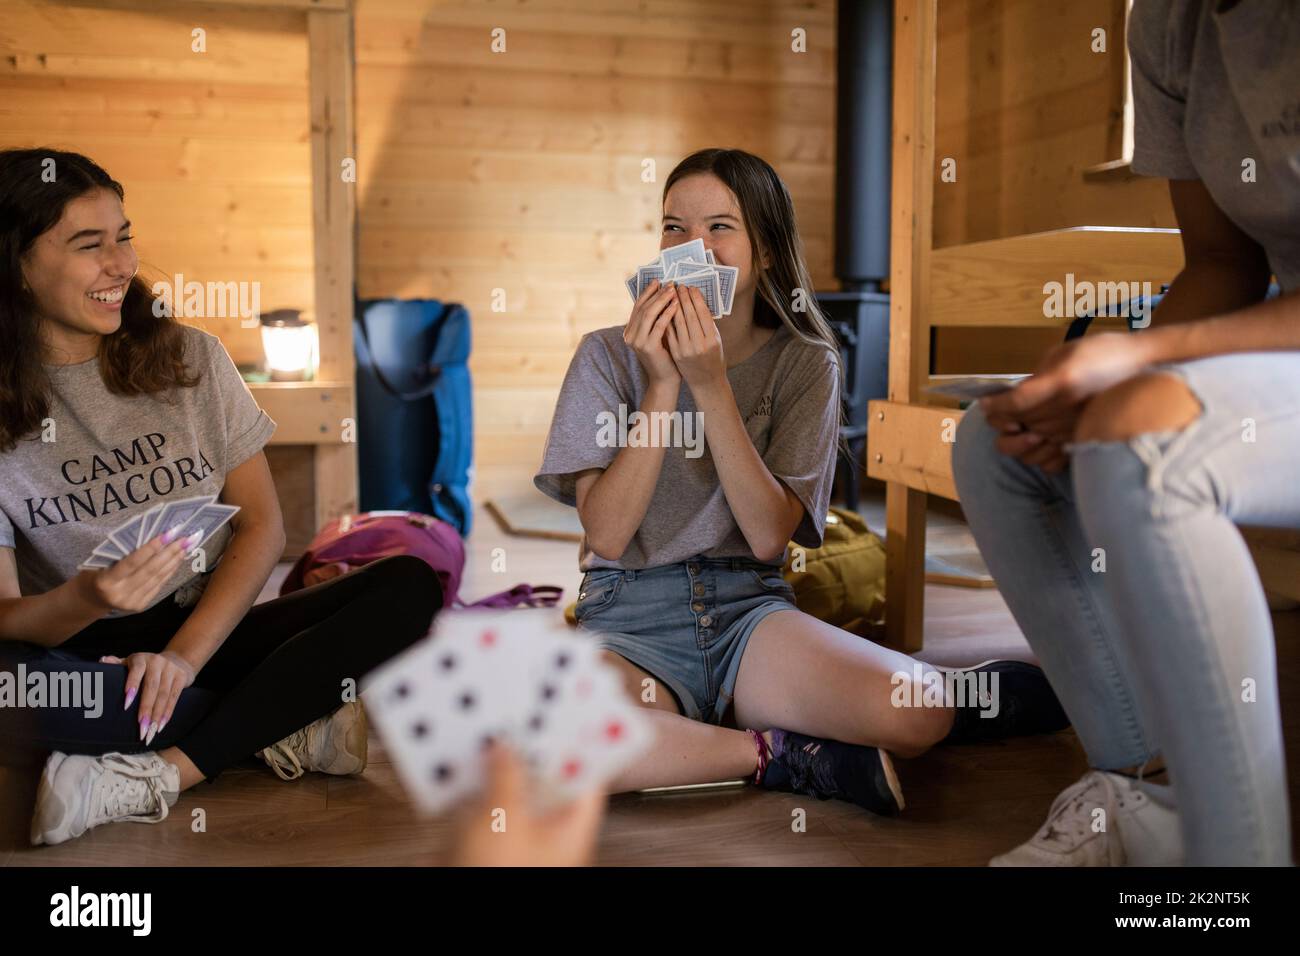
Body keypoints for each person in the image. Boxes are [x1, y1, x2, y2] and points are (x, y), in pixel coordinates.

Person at [534, 148, 1067, 815]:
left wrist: (711, 383)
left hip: (747, 612)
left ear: (766, 254)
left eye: (720, 227)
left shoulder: (806, 362)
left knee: (920, 713)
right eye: (674, 227)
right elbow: (607, 532)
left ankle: (950, 696)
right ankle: (782, 753)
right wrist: (665, 383)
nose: (691, 248)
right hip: (627, 618)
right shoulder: (606, 355)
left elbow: (765, 538)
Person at [0, 148, 441, 846]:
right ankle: (281, 719)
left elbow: (263, 527)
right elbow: (10, 618)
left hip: (211, 627)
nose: (122, 264)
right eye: (90, 245)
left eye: (124, 235)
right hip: (87, 655)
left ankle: (158, 775)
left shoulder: (190, 358)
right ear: (17, 267)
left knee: (409, 584)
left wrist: (181, 659)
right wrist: (91, 598)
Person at [952, 0, 1299, 865]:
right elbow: (1224, 262)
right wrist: (1112, 359)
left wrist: (1151, 362)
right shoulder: (1171, 23)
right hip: (1275, 343)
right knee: (997, 445)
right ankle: (1145, 795)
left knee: (1146, 448)